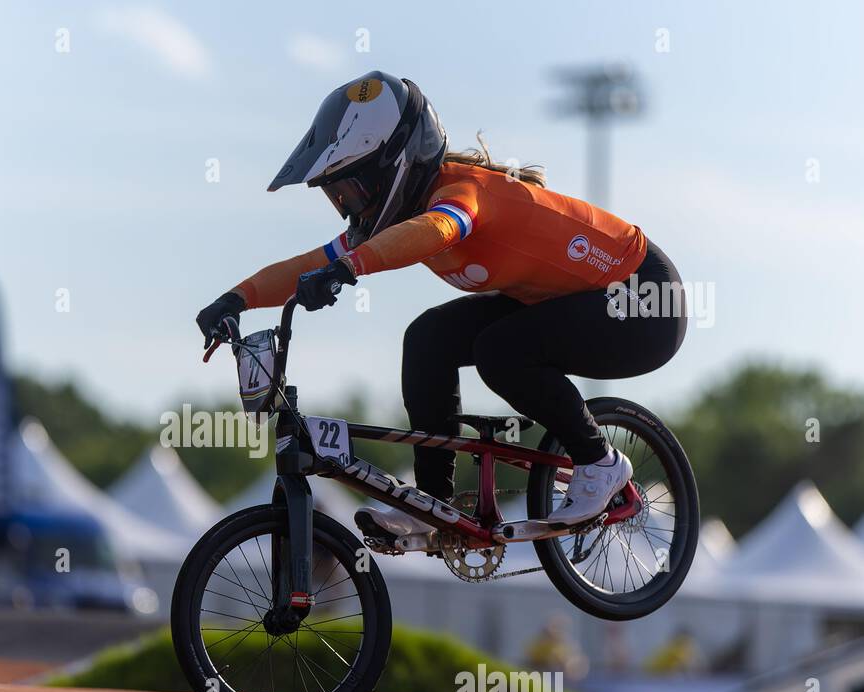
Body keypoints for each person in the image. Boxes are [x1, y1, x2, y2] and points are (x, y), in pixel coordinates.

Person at [197, 70, 687, 547]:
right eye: (336, 197)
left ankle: (599, 462)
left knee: (502, 350)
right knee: (427, 339)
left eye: (351, 190)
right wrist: (237, 297)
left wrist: (351, 267)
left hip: (643, 302)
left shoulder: (461, 193)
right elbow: (308, 263)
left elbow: (439, 230)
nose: (349, 208)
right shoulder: (398, 216)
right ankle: (431, 503)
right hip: (561, 298)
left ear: (394, 164)